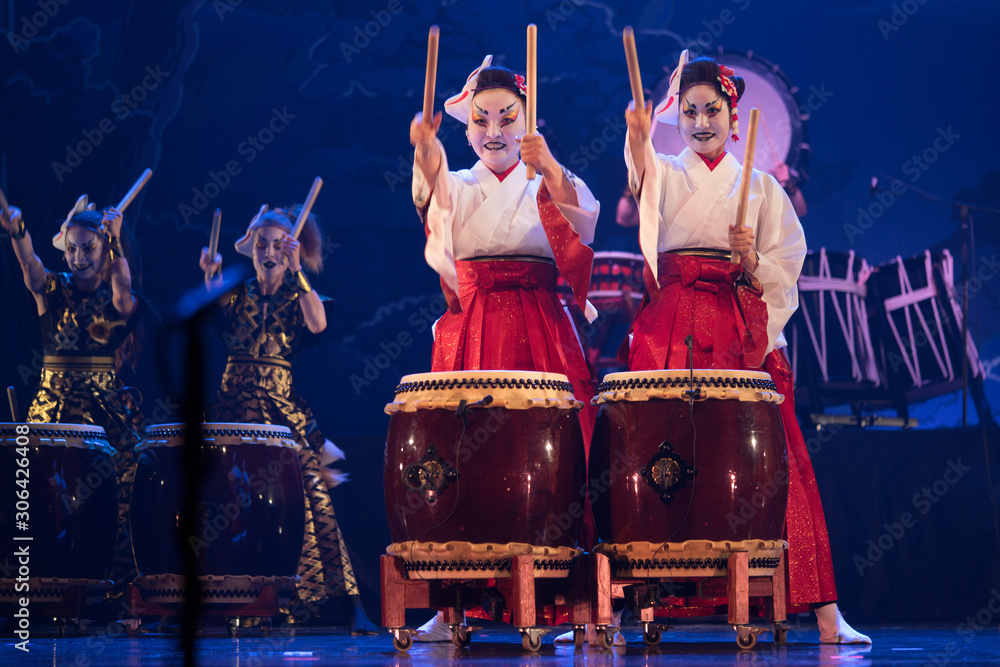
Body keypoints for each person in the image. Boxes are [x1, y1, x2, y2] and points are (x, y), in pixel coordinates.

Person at [621, 51, 870, 644]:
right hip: (672, 325)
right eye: (689, 111)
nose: (701, 121)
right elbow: (641, 182)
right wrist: (636, 141)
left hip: (737, 326)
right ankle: (626, 608)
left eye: (712, 110)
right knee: (655, 455)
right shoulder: (666, 170)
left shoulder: (760, 188)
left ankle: (825, 613)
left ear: (734, 118)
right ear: (675, 119)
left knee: (777, 460)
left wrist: (752, 260)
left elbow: (788, 264)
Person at [408, 56, 602, 642]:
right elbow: (431, 197)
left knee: (554, 456)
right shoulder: (459, 183)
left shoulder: (546, 176)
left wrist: (552, 169)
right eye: (481, 120)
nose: (494, 132)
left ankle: (562, 600)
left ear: (527, 120)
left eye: (507, 119)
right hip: (473, 328)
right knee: (462, 458)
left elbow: (583, 225)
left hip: (539, 325)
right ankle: (452, 608)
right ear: (465, 128)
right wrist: (425, 149)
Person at [199, 205, 376, 634]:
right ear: (253, 249)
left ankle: (335, 600)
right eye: (262, 244)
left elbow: (318, 325)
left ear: (291, 250)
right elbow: (210, 307)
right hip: (232, 406)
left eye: (279, 245)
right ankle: (215, 598)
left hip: (280, 408)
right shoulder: (237, 292)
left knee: (310, 494)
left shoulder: (299, 295)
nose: (269, 251)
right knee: (220, 496)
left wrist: (298, 271)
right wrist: (210, 276)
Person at [2, 195, 146, 595]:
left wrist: (115, 241)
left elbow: (123, 295)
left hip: (104, 404)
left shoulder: (117, 294)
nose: (79, 256)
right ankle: (44, 584)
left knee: (123, 483)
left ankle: (119, 589)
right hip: (54, 401)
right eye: (72, 248)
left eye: (89, 247)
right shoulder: (52, 288)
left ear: (105, 249)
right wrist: (18, 232)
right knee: (41, 486)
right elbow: (30, 266)